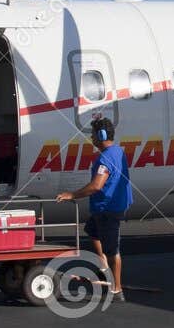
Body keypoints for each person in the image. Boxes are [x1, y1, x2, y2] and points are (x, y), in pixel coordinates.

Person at [56, 115, 131, 301]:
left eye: (93, 135)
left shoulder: (105, 158)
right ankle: (104, 268)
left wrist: (72, 195)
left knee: (112, 250)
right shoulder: (117, 151)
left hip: (108, 208)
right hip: (107, 207)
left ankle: (117, 290)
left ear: (101, 135)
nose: (91, 138)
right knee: (92, 230)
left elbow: (96, 185)